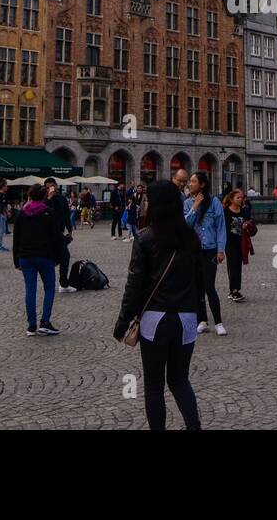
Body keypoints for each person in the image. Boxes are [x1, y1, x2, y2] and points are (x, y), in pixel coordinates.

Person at [113, 180, 205, 430]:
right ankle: (194, 427)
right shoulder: (192, 239)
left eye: (148, 201)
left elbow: (134, 285)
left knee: (154, 386)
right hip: (186, 318)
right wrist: (199, 314)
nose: (145, 204)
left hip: (155, 319)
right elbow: (201, 283)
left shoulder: (145, 238)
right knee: (179, 380)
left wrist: (122, 323)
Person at [13, 185, 62, 335]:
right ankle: (45, 322)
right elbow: (56, 237)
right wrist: (58, 257)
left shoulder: (22, 213)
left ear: (30, 196)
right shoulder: (49, 212)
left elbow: (17, 237)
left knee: (30, 289)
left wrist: (16, 260)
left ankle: (31, 325)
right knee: (49, 288)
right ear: (43, 196)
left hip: (26, 257)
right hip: (45, 256)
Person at [184, 171, 227, 336]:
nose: (190, 184)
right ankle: (202, 320)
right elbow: (185, 226)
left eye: (193, 181)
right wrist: (194, 207)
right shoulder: (187, 203)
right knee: (197, 287)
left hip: (210, 249)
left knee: (209, 286)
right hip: (194, 250)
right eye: (190, 181)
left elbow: (221, 227)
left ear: (202, 184)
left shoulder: (214, 202)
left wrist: (221, 249)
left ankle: (218, 322)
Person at [44, 179, 77, 295]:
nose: (51, 189)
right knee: (50, 259)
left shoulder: (62, 199)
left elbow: (66, 215)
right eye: (48, 188)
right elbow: (43, 212)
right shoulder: (45, 199)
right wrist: (48, 198)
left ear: (56, 186)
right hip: (47, 234)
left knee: (65, 256)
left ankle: (63, 284)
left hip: (59, 233)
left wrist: (70, 230)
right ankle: (53, 284)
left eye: (52, 186)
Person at [221, 188, 253, 302]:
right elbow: (221, 227)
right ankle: (234, 290)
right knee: (232, 265)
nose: (240, 199)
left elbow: (249, 221)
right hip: (229, 242)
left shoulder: (243, 210)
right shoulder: (225, 211)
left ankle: (235, 289)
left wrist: (246, 225)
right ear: (231, 199)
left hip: (241, 241)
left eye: (242, 197)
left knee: (238, 265)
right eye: (238, 197)